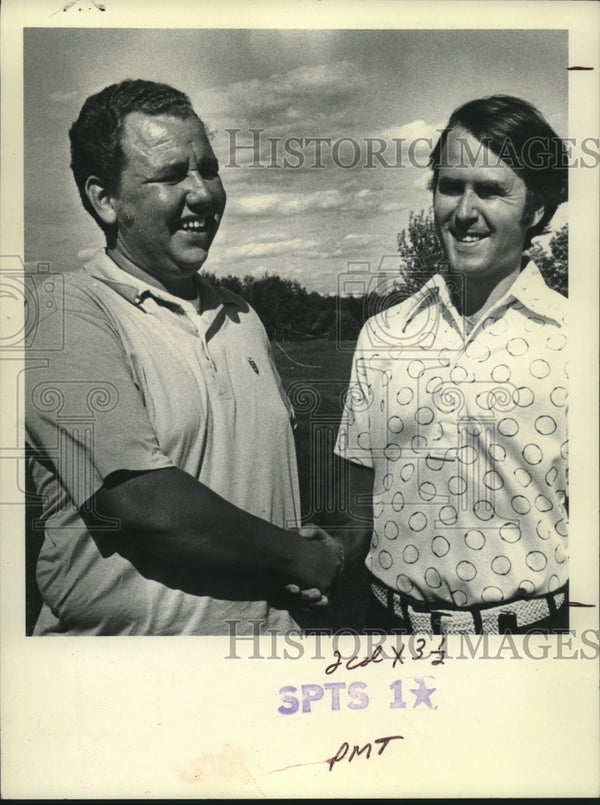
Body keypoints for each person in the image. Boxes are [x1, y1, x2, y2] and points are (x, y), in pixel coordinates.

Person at [25, 79, 342, 635]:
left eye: (210, 169)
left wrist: (296, 555)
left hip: (265, 676)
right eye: (172, 175)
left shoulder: (242, 315)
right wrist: (301, 558)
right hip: (137, 690)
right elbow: (143, 502)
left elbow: (259, 485)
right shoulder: (64, 313)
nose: (204, 193)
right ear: (105, 200)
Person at [334, 95, 569, 634]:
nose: (464, 211)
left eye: (490, 190)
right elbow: (353, 511)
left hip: (532, 644)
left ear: (535, 208)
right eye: (450, 186)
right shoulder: (384, 334)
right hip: (387, 633)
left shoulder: (575, 340)